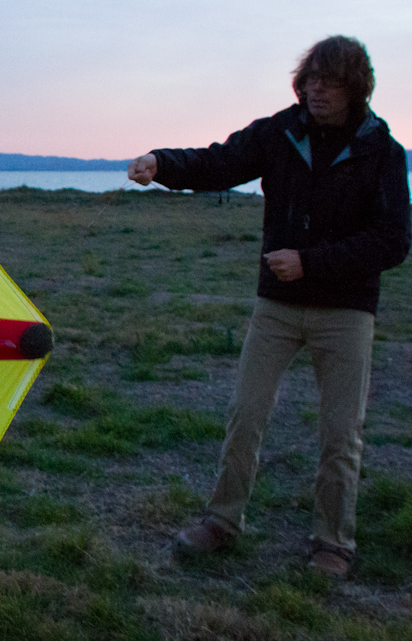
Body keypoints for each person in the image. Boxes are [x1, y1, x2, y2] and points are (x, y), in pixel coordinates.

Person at [126, 35, 411, 578]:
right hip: (277, 307)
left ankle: (333, 542)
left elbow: (393, 241)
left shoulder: (383, 152)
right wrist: (160, 163)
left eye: (328, 82)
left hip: (346, 313)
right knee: (245, 414)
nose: (315, 90)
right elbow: (219, 163)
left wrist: (312, 262)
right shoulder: (281, 133)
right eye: (309, 80)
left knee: (340, 431)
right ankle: (221, 521)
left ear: (356, 88)